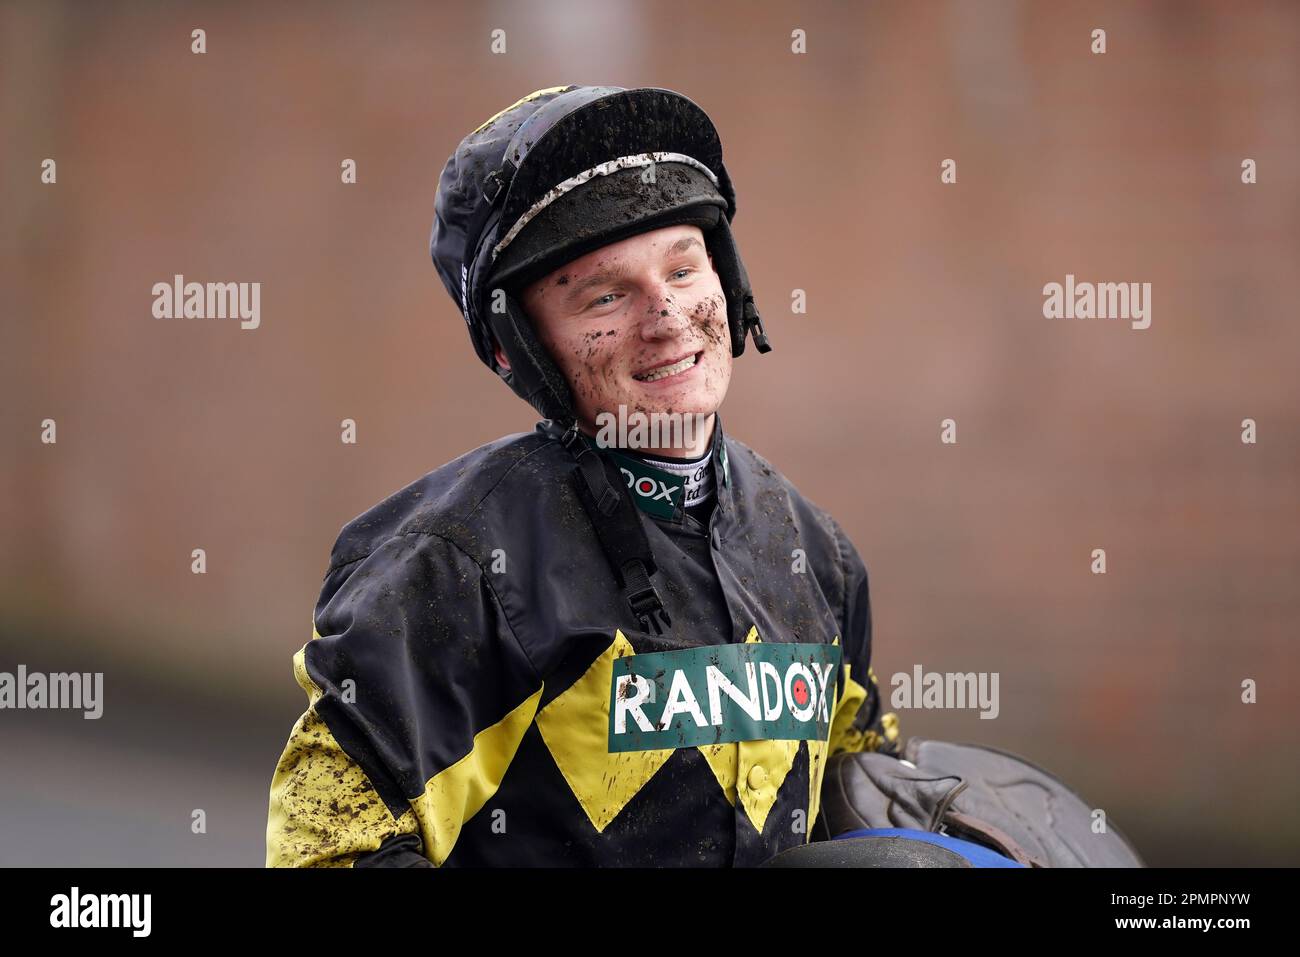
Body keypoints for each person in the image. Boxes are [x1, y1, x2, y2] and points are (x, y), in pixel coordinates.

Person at [265, 84, 900, 868]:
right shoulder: (451, 568)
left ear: (727, 282)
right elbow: (322, 853)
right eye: (606, 295)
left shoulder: (813, 553)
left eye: (683, 268)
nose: (666, 316)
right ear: (517, 349)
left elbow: (861, 795)